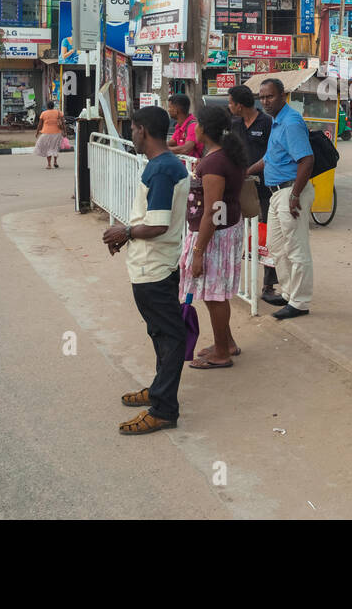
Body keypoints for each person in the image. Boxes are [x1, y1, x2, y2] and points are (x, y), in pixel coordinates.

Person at [101, 106, 191, 435]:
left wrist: (125, 232)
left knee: (169, 336)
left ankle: (164, 408)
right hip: (151, 264)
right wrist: (127, 235)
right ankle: (158, 391)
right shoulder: (163, 165)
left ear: (143, 130)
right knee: (160, 333)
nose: (131, 135)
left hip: (154, 267)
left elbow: (156, 224)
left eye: (133, 129)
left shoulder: (163, 169)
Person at [180, 105, 247, 369]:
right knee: (213, 292)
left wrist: (198, 252)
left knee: (214, 295)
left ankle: (222, 353)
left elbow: (211, 212)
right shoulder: (222, 156)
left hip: (214, 236)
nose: (193, 128)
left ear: (204, 130)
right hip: (224, 231)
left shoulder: (215, 162)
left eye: (197, 124)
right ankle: (226, 342)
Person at [245, 78, 314, 319]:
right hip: (276, 193)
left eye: (270, 96)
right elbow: (269, 159)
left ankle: (300, 302)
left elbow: (307, 160)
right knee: (277, 247)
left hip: (290, 192)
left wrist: (295, 195)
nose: (265, 101)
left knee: (296, 249)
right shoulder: (276, 122)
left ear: (283, 95)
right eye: (262, 97)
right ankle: (287, 293)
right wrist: (246, 171)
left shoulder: (291, 122)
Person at [226, 85, 280, 300]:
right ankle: (235, 280)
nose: (229, 106)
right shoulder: (235, 124)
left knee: (269, 237)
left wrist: (249, 170)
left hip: (266, 189)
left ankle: (268, 286)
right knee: (238, 232)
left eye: (230, 102)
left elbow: (273, 154)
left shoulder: (267, 123)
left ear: (239, 105)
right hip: (241, 189)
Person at [167, 93, 202, 158]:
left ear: (176, 110)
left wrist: (163, 150)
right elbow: (172, 142)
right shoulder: (179, 126)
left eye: (169, 107)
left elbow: (186, 149)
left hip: (192, 167)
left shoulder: (192, 126)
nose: (168, 110)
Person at [34, 99, 64, 169]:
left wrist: (37, 132)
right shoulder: (59, 113)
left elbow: (40, 124)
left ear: (47, 106)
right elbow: (63, 123)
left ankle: (49, 164)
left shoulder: (44, 113)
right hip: (57, 133)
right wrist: (64, 132)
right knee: (55, 148)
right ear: (53, 106)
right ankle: (55, 162)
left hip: (46, 133)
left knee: (48, 148)